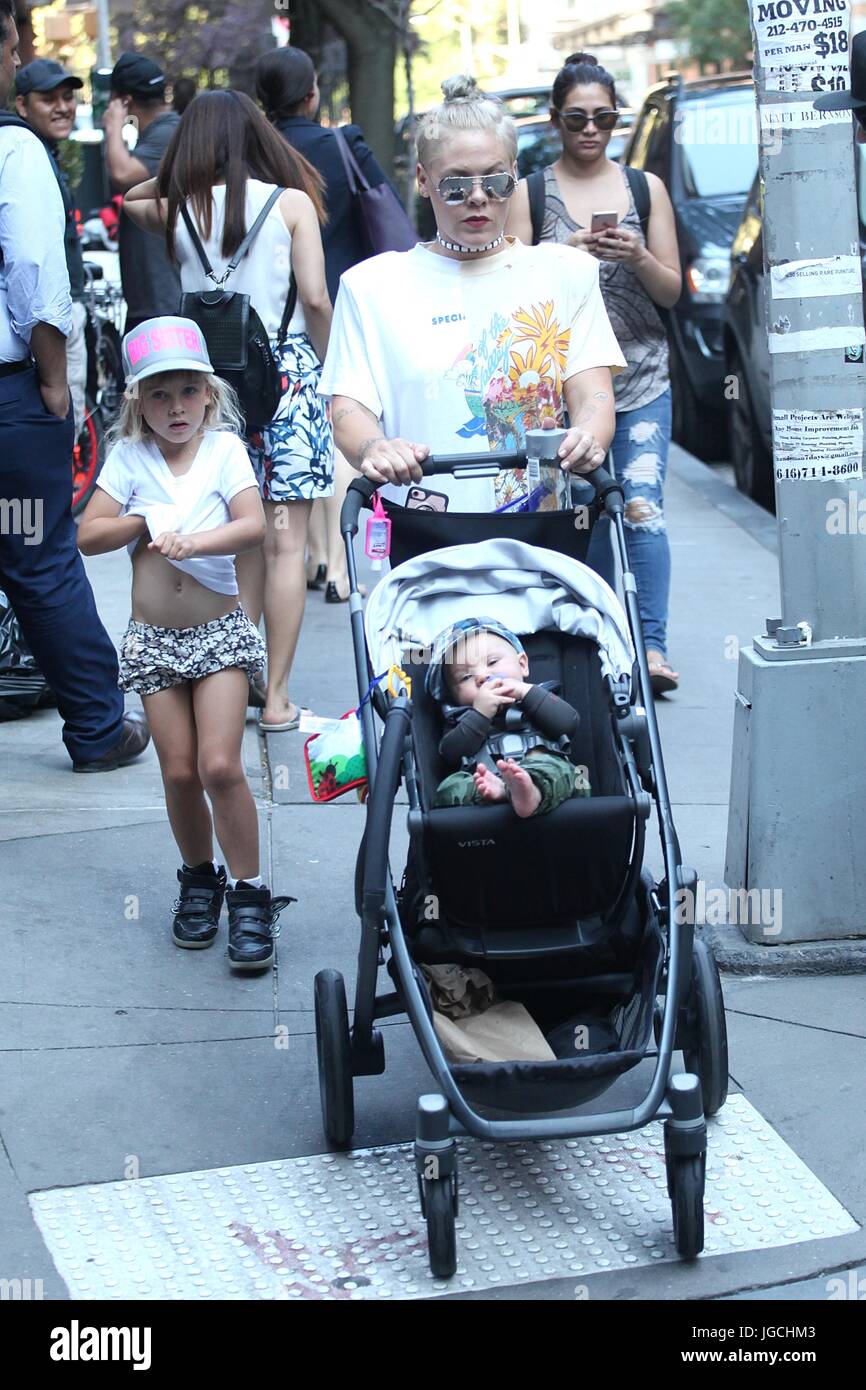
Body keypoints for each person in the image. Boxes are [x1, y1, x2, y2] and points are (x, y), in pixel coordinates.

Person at [77, 316, 294, 969]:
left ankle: (251, 894)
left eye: (186, 393)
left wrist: (194, 541)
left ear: (208, 393)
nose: (175, 408)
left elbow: (254, 525)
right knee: (176, 772)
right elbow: (89, 534)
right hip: (154, 642)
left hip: (218, 634)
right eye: (159, 395)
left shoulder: (225, 451)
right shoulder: (129, 460)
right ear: (138, 401)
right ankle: (201, 879)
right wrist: (141, 520)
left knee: (219, 766)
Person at [319, 74, 626, 521]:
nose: (478, 197)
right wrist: (375, 446)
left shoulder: (566, 273)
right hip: (425, 531)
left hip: (540, 531)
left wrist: (585, 435)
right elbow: (347, 406)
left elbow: (594, 394)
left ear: (515, 176)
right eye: (456, 185)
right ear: (423, 181)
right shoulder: (370, 286)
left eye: (496, 181)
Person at [123, 91, 333, 733]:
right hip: (288, 378)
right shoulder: (291, 203)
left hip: (211, 387)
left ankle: (228, 675)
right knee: (285, 540)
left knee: (242, 537)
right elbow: (318, 299)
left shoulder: (176, 205)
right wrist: (327, 372)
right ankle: (276, 699)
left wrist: (187, 165)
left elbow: (131, 198)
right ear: (255, 138)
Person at [0, 0, 149, 773]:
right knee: (37, 555)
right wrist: (55, 385)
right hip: (11, 403)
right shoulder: (13, 150)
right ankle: (96, 726)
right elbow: (32, 278)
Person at [506, 54, 682, 694]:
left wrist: (636, 254)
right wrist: (562, 254)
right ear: (555, 121)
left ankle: (652, 647)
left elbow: (670, 293)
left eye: (603, 117)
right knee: (578, 511)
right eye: (577, 118)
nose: (590, 130)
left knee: (641, 510)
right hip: (562, 392)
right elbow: (512, 287)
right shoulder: (529, 191)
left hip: (640, 382)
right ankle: (601, 644)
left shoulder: (644, 189)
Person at [256, 45, 390, 602]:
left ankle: (313, 556)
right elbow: (384, 203)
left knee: (296, 444)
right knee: (336, 428)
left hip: (280, 311)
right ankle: (337, 564)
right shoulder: (343, 144)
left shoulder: (255, 156)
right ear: (312, 94)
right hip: (342, 300)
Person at [428, 618, 590, 818]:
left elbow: (569, 723)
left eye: (492, 662)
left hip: (540, 768)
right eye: (465, 677)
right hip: (484, 777)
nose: (482, 676)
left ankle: (530, 792)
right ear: (454, 697)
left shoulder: (539, 698)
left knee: (572, 774)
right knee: (449, 787)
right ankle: (505, 792)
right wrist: (479, 714)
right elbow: (450, 754)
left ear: (522, 665)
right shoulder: (461, 718)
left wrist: (526, 692)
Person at [14, 58, 87, 435]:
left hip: (61, 311)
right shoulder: (24, 155)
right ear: (22, 105)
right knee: (59, 422)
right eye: (48, 99)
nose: (62, 106)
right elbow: (29, 259)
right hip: (46, 324)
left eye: (68, 96)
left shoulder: (46, 154)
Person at [103, 52, 181, 335]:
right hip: (155, 300)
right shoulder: (165, 132)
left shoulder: (167, 134)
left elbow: (121, 174)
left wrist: (113, 127)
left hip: (161, 303)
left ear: (125, 101)